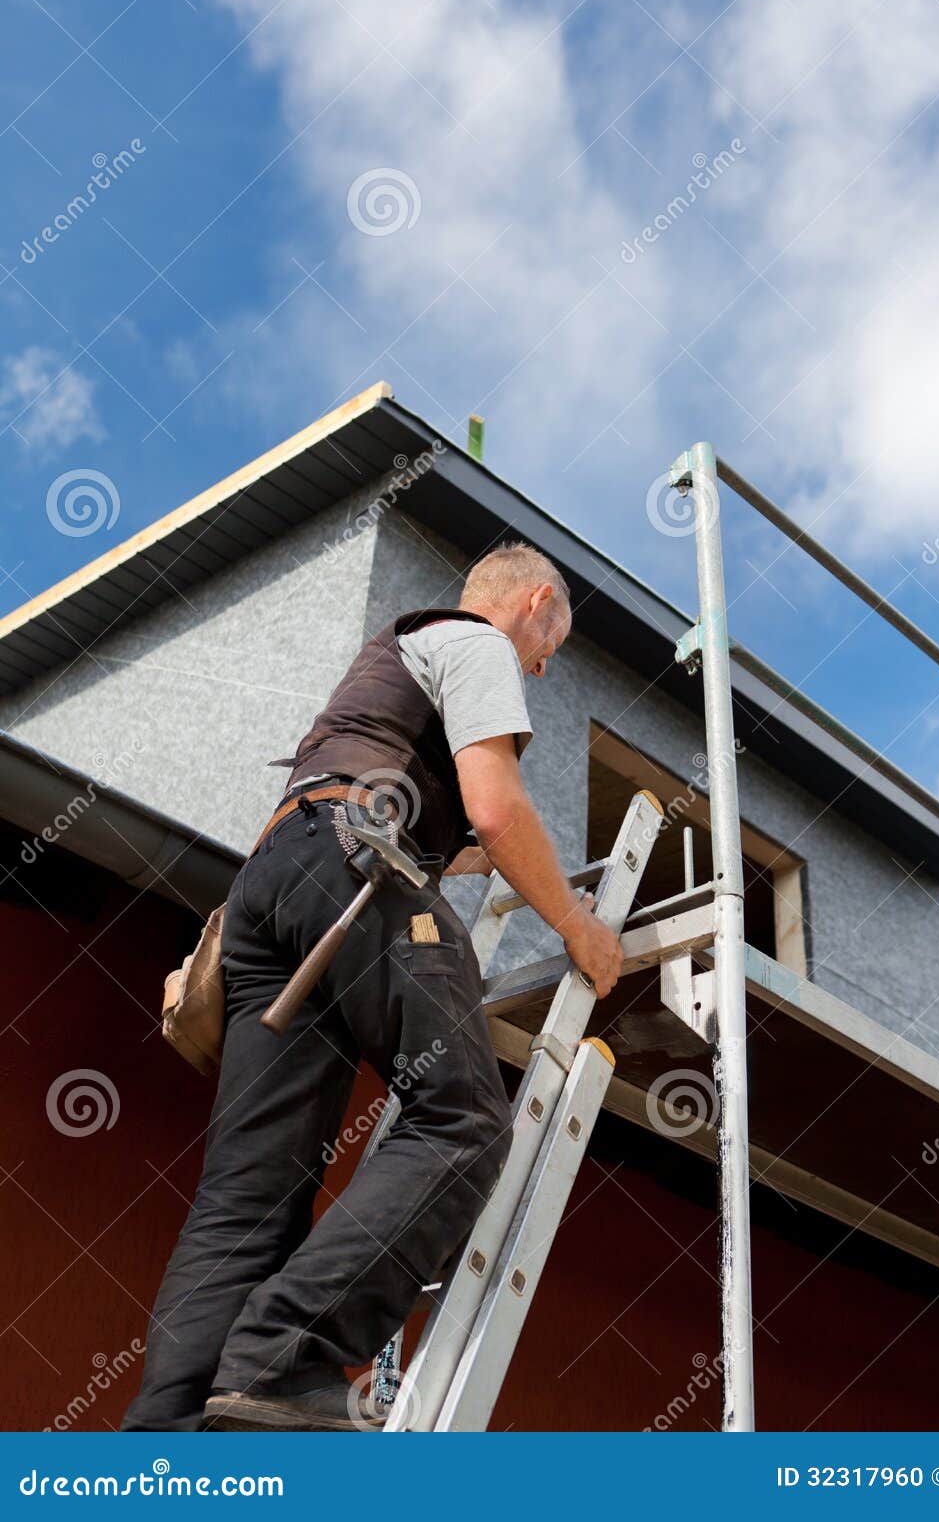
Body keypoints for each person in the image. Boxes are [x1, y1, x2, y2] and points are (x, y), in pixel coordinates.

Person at [122, 541, 624, 1431]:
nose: (543, 669)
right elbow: (496, 807)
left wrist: (512, 870)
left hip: (276, 884)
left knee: (249, 1193)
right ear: (534, 603)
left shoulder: (397, 658)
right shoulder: (476, 643)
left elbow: (456, 829)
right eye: (552, 646)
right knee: (462, 1118)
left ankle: (163, 1444)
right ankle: (281, 1362)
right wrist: (578, 926)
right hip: (354, 868)